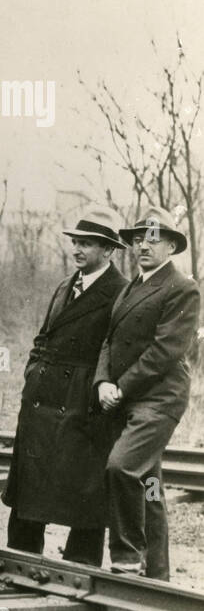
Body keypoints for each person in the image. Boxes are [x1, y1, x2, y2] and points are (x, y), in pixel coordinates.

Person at [3, 206, 128, 566]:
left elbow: (118, 351)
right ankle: (21, 563)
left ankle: (83, 570)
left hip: (83, 402)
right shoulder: (65, 285)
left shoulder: (119, 291)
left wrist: (95, 389)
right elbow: (43, 337)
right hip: (42, 397)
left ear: (108, 250)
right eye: (76, 242)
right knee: (31, 485)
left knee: (86, 492)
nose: (77, 249)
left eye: (87, 244)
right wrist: (32, 371)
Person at [96, 207, 200, 580]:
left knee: (121, 466)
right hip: (129, 396)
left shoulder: (182, 288)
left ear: (171, 245)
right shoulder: (129, 287)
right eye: (139, 238)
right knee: (150, 485)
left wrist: (120, 388)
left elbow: (164, 352)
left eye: (153, 238)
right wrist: (102, 381)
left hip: (159, 399)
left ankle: (127, 556)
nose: (143, 244)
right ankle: (158, 573)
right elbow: (109, 341)